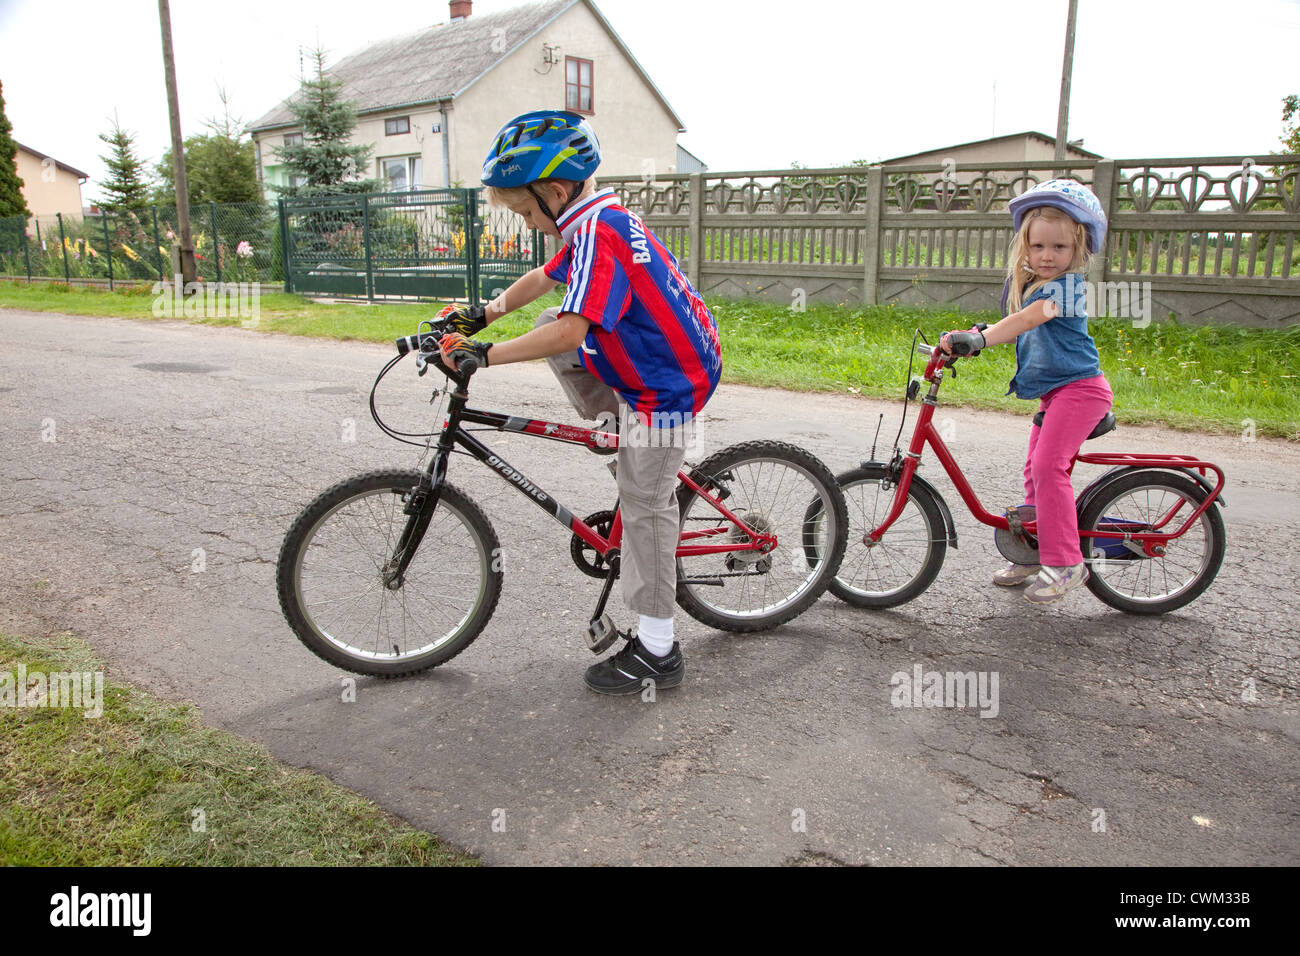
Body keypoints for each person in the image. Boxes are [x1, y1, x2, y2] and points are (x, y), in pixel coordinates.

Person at [435, 109, 723, 692]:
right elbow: (546, 278)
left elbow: (571, 333)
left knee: (643, 503)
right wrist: (481, 313)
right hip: (649, 363)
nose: (526, 220)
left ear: (556, 191)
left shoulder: (600, 232)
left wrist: (483, 355)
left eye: (523, 210)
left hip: (669, 384)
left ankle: (659, 651)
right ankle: (627, 439)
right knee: (547, 313)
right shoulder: (590, 222)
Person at [939, 179, 1113, 605]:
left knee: (1049, 467)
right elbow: (1012, 322)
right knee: (1035, 471)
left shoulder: (1066, 290)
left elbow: (1025, 322)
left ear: (1078, 250)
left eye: (1059, 248)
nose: (1048, 256)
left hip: (1081, 391)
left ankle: (1068, 562)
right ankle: (1036, 551)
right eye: (1039, 247)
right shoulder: (1035, 286)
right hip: (1057, 394)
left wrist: (980, 341)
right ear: (1026, 248)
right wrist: (974, 334)